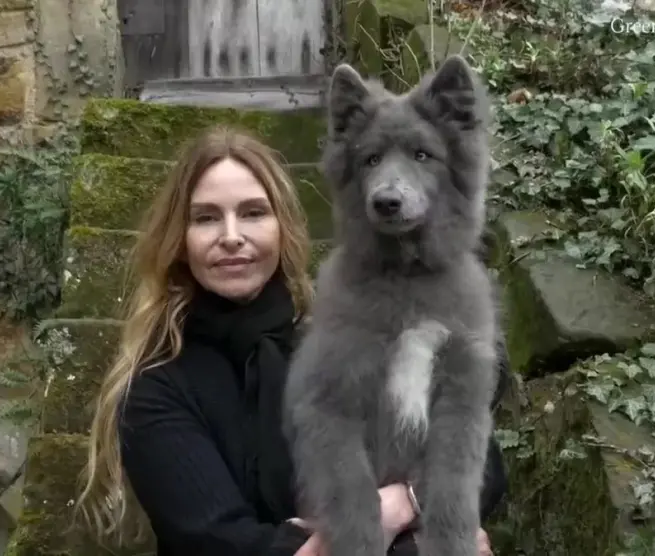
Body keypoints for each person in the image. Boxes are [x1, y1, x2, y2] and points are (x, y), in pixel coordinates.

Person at [76, 126, 508, 556]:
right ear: (180, 242)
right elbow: (224, 542)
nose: (231, 236)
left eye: (252, 213)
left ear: (282, 228)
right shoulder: (156, 389)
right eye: (206, 217)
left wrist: (400, 503)